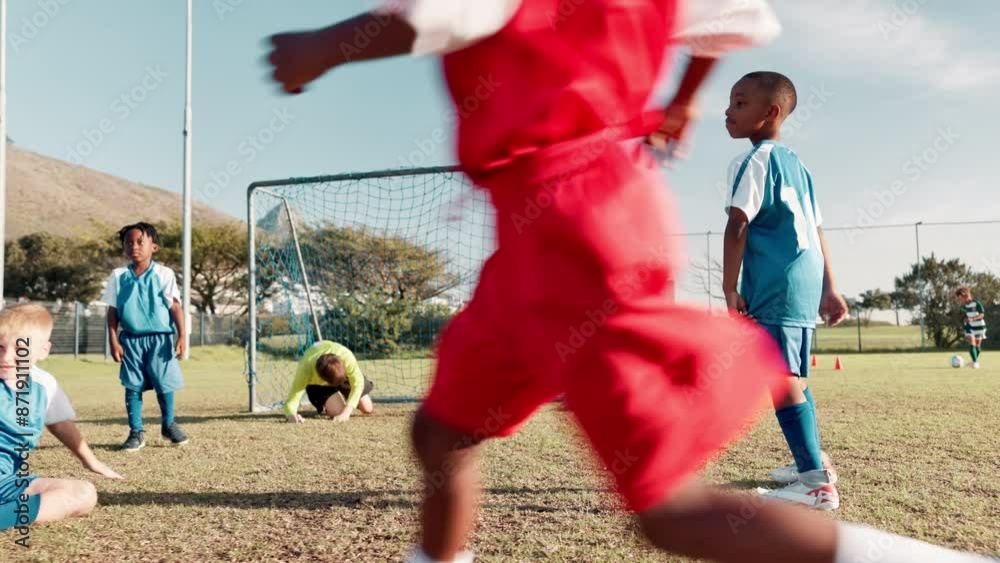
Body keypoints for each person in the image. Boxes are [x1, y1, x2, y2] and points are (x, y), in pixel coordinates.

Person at [264, 2, 998, 562]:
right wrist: (684, 96)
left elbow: (445, 13)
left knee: (664, 508)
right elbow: (743, 17)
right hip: (542, 236)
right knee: (442, 428)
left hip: (574, 231)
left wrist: (324, 47)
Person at [722, 71, 845, 508]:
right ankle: (812, 463)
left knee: (780, 375)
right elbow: (817, 229)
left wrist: (728, 288)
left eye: (740, 103)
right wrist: (830, 287)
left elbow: (737, 223)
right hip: (805, 278)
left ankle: (815, 482)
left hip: (777, 280)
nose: (728, 111)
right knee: (791, 372)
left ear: (770, 113)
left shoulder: (754, 161)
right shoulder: (801, 165)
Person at [0, 303, 122, 533]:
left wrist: (90, 461)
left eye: (20, 349)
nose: (7, 357)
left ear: (43, 350)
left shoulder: (44, 385)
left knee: (84, 494)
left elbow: (61, 424)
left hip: (6, 482)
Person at [101, 222, 189, 452]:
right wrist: (113, 339)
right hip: (131, 340)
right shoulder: (119, 276)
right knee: (132, 386)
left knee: (164, 383)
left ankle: (168, 424)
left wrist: (182, 336)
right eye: (129, 242)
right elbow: (112, 311)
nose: (134, 246)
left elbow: (175, 307)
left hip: (160, 339)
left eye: (140, 242)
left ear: (154, 247)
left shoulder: (164, 273)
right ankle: (136, 432)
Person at [283, 340, 375, 423]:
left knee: (367, 408)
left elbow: (358, 385)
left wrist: (347, 412)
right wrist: (291, 416)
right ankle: (330, 403)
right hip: (318, 385)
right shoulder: (306, 369)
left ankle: (342, 397)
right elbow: (291, 400)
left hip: (340, 374)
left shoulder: (346, 357)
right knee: (337, 411)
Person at [956, 286, 986, 369]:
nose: (960, 300)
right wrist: (965, 321)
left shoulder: (976, 303)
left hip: (980, 327)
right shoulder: (964, 306)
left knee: (978, 348)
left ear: (965, 295)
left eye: (960, 298)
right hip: (970, 327)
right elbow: (965, 317)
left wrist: (973, 318)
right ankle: (975, 363)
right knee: (972, 342)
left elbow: (982, 314)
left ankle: (973, 361)